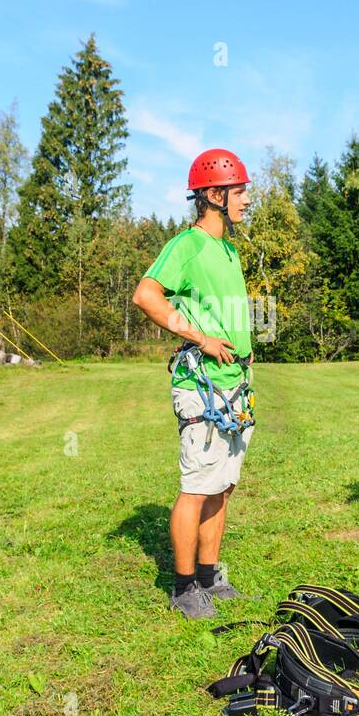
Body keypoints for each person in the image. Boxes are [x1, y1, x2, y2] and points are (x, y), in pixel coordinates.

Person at [131, 148, 256, 620]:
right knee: (197, 486)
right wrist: (199, 337)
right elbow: (147, 295)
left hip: (235, 384)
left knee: (222, 486)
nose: (246, 198)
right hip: (200, 385)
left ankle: (208, 578)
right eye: (239, 189)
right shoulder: (186, 245)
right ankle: (184, 589)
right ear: (213, 193)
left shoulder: (228, 250)